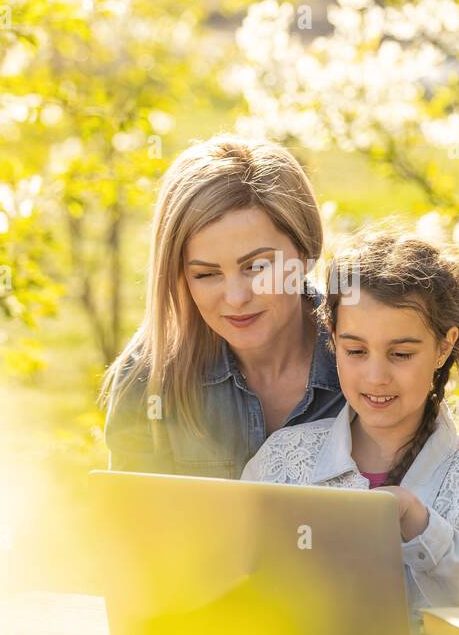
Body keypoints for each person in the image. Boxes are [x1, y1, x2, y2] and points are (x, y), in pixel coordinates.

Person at [242, 229, 459, 610]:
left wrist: (420, 526)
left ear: (444, 346)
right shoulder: (281, 462)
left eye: (401, 354)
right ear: (333, 336)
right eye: (356, 350)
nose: (376, 377)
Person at [100, 134, 345, 479]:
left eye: (257, 267)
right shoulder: (148, 378)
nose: (236, 298)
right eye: (206, 274)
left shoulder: (366, 354)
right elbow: (131, 526)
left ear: (306, 252)